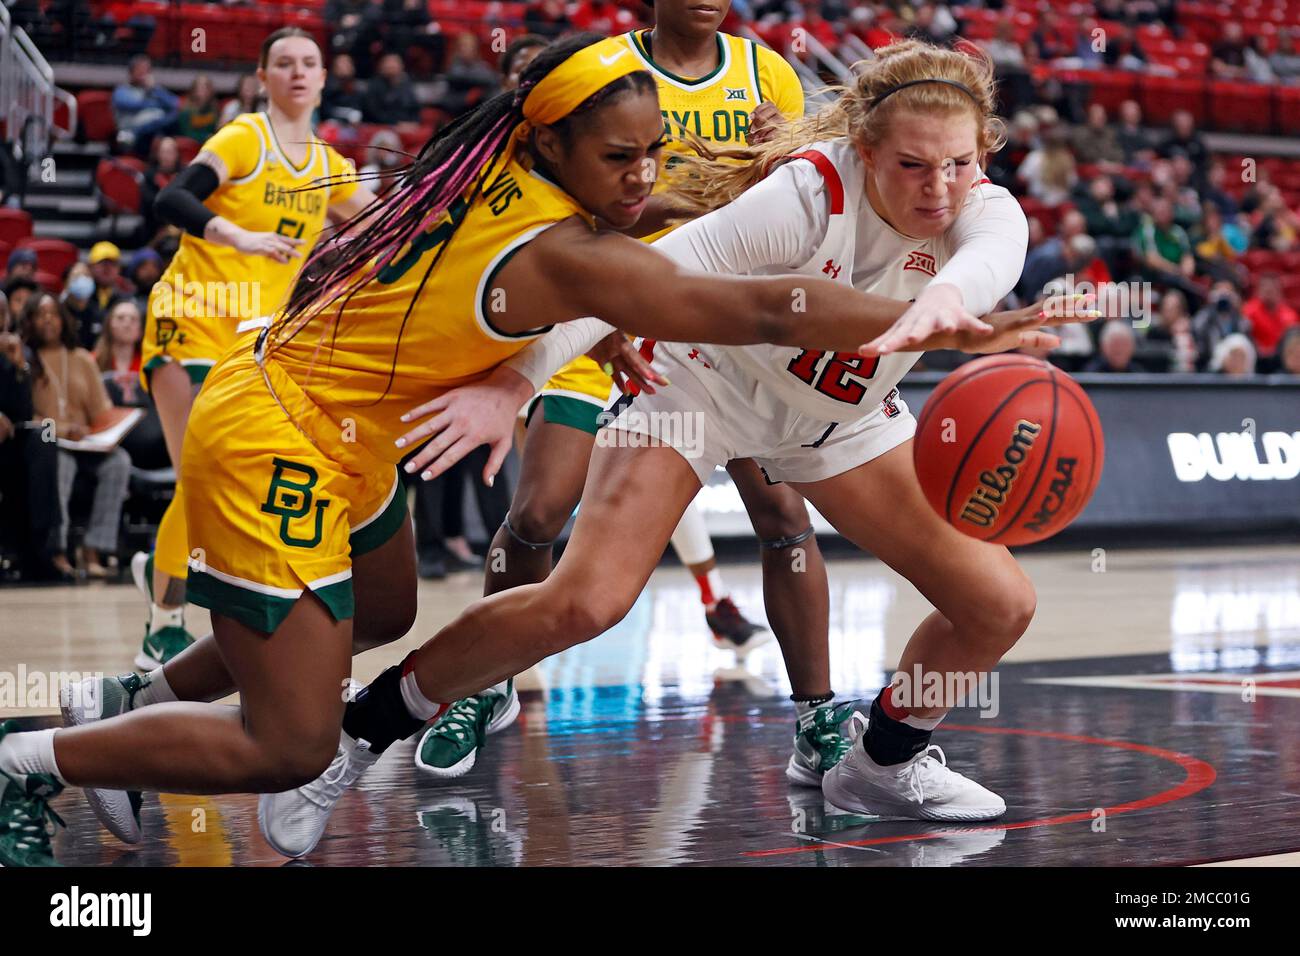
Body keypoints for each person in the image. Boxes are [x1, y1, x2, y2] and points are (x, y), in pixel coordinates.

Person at [0, 33, 1065, 866]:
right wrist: (520, 377)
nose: (938, 185)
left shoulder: (972, 203)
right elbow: (707, 292)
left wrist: (943, 302)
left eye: (958, 165)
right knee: (576, 600)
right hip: (690, 389)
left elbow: (986, 251)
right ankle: (329, 730)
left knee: (998, 601)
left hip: (831, 417)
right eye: (912, 164)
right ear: (859, 149)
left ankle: (877, 755)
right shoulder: (786, 196)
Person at [410, 2, 816, 783]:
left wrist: (780, 159)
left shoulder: (769, 74)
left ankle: (818, 717)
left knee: (783, 517)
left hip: (711, 323)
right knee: (535, 515)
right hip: (592, 308)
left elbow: (796, 200)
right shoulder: (607, 70)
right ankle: (482, 681)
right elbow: (588, 207)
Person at [129, 27, 378, 675]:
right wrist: (234, 234)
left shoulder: (327, 167)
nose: (297, 72)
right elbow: (171, 196)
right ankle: (162, 625)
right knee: (195, 476)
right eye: (283, 63)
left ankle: (172, 574)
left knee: (222, 486)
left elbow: (388, 227)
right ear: (263, 78)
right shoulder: (244, 139)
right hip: (190, 320)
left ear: (324, 79)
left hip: (256, 349)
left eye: (309, 63)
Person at [20, 292, 131, 579]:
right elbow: (23, 414)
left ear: (63, 319)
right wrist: (60, 428)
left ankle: (95, 548)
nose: (48, 320)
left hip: (87, 444)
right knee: (61, 462)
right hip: (49, 444)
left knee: (119, 462)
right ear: (30, 321)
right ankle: (59, 547)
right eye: (40, 314)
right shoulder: (26, 360)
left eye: (54, 313)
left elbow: (101, 412)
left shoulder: (82, 359)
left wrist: (104, 432)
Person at [111, 54, 179, 155]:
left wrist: (155, 89)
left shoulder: (154, 90)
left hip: (154, 132)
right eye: (140, 69)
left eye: (147, 70)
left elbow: (174, 103)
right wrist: (155, 103)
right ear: (131, 72)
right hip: (131, 132)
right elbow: (134, 105)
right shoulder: (122, 91)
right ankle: (135, 134)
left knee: (175, 116)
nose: (144, 73)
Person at [1242, 274, 1299, 362]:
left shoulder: (1289, 314)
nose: (1269, 292)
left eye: (1273, 289)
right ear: (1258, 290)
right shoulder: (1248, 311)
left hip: (1282, 360)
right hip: (1254, 358)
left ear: (1279, 291)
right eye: (1266, 289)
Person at [176, 75, 219, 144]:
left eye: (206, 87)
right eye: (200, 87)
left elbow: (216, 131)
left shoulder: (215, 110)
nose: (203, 90)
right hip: (190, 147)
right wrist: (205, 137)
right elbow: (187, 134)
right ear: (194, 90)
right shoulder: (186, 112)